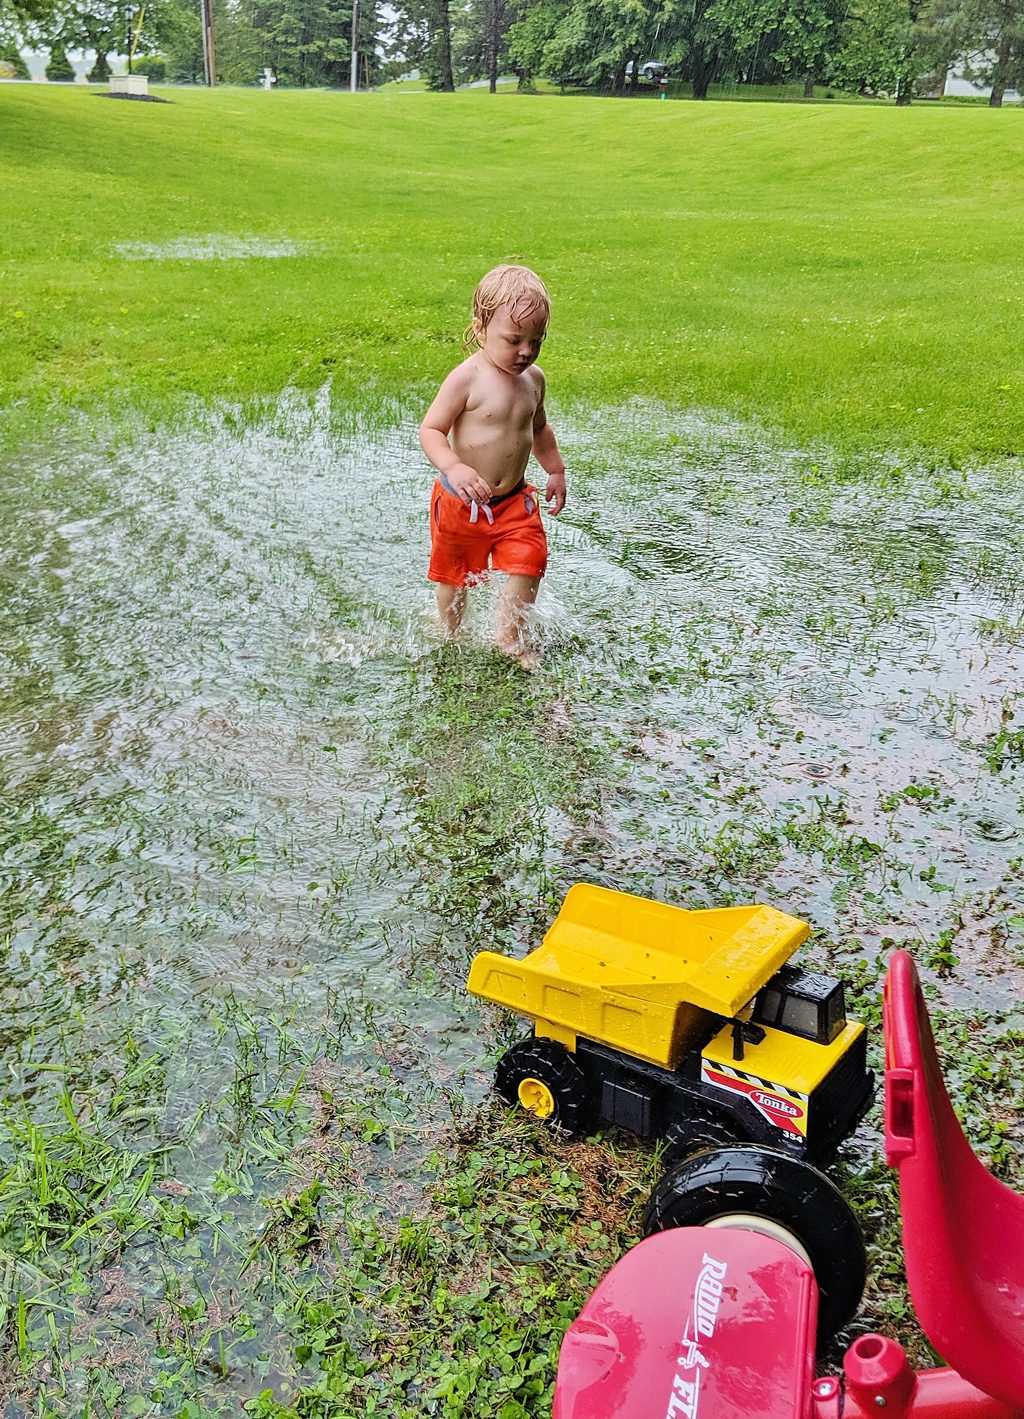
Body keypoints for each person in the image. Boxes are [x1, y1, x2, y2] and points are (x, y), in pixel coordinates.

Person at [419, 264, 567, 668]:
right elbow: (431, 429)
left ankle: (507, 632)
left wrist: (554, 470)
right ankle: (447, 630)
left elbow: (539, 428)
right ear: (481, 328)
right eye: (514, 339)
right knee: (454, 575)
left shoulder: (533, 380)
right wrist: (454, 467)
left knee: (530, 559)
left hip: (514, 501)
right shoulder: (466, 379)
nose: (526, 351)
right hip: (461, 502)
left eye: (536, 340)